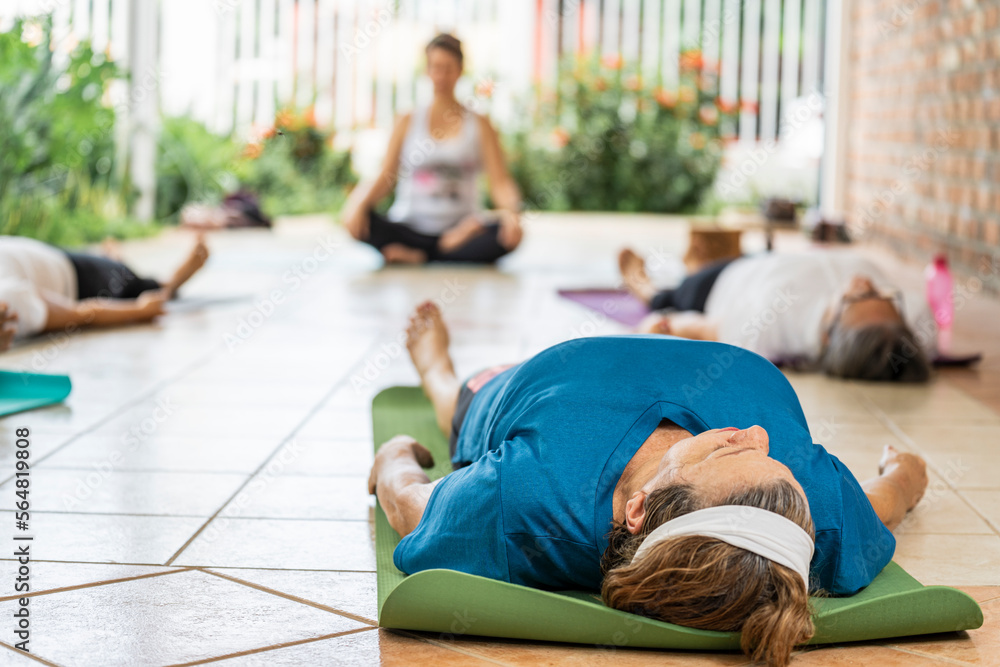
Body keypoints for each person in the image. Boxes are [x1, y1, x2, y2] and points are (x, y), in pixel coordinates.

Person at [368, 302, 929, 667]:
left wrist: (395, 454)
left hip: (535, 382)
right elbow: (885, 504)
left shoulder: (531, 500)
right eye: (765, 451)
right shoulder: (813, 510)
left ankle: (436, 367)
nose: (756, 433)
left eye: (726, 447)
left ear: (639, 509)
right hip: (679, 359)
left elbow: (413, 510)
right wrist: (908, 470)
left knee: (459, 400)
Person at [617, 247, 934, 382]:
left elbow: (696, 327)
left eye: (857, 297)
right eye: (884, 296)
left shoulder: (767, 328)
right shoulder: (908, 320)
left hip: (729, 279)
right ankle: (694, 260)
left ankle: (644, 286)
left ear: (827, 335)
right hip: (780, 257)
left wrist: (662, 323)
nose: (865, 283)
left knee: (673, 294)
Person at [340, 33, 523, 264]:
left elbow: (500, 181)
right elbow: (386, 176)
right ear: (427, 70)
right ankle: (439, 252)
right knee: (362, 221)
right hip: (410, 228)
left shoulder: (480, 123)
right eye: (436, 67)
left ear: (460, 70)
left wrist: (512, 214)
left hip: (462, 229)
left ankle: (423, 255)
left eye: (448, 68)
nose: (441, 76)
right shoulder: (407, 120)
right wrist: (359, 202)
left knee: (506, 235)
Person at [0, 234, 209, 351]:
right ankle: (169, 285)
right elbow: (81, 313)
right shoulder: (9, 300)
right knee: (135, 284)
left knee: (115, 270)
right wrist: (139, 310)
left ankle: (114, 259)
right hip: (78, 279)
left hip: (48, 256)